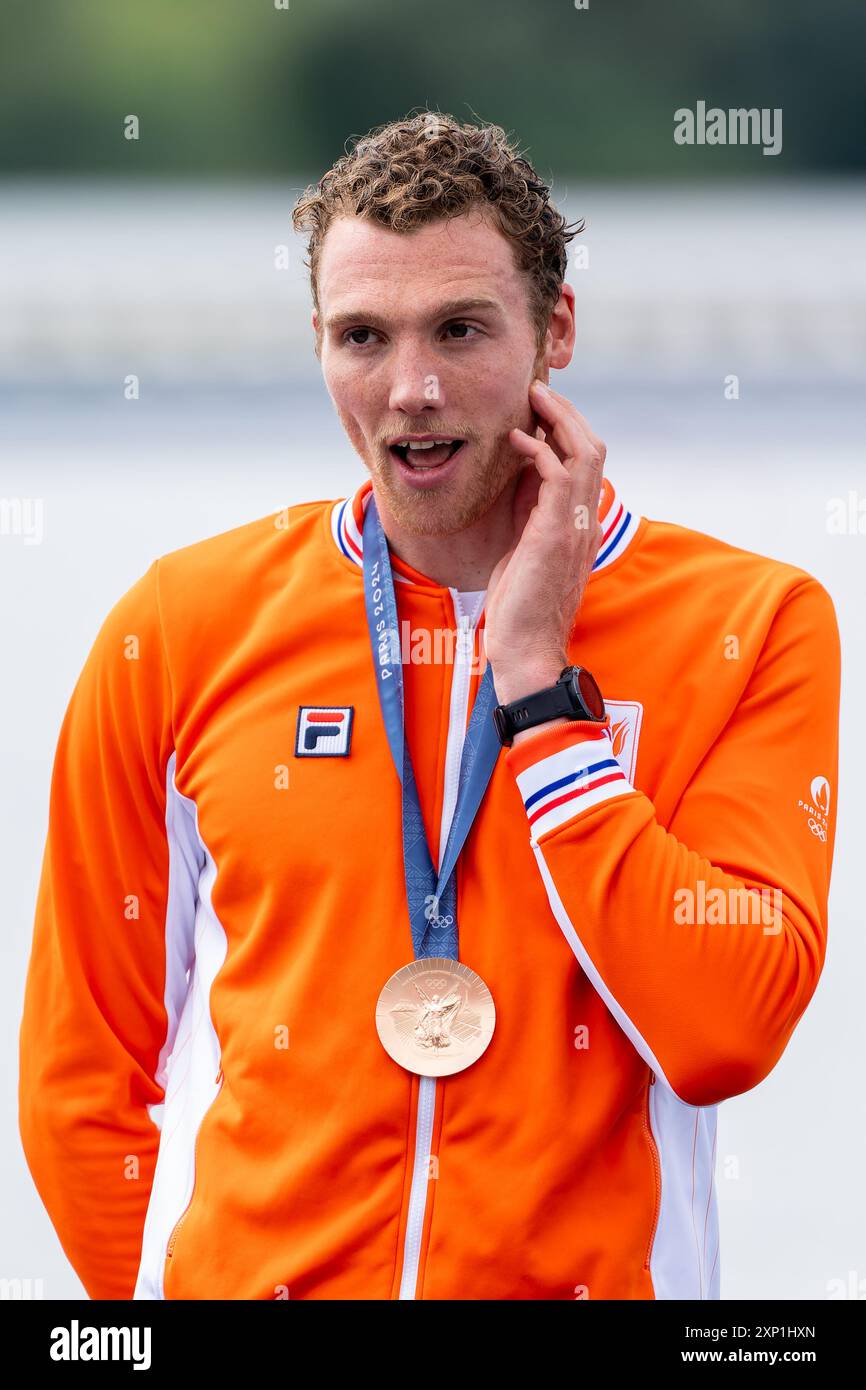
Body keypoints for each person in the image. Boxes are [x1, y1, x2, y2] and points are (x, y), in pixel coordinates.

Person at [19, 111, 840, 1301]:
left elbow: (723, 1032)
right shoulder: (182, 622)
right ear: (316, 343)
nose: (409, 388)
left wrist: (541, 694)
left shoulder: (753, 622)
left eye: (460, 329)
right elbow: (80, 1071)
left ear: (553, 330)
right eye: (363, 336)